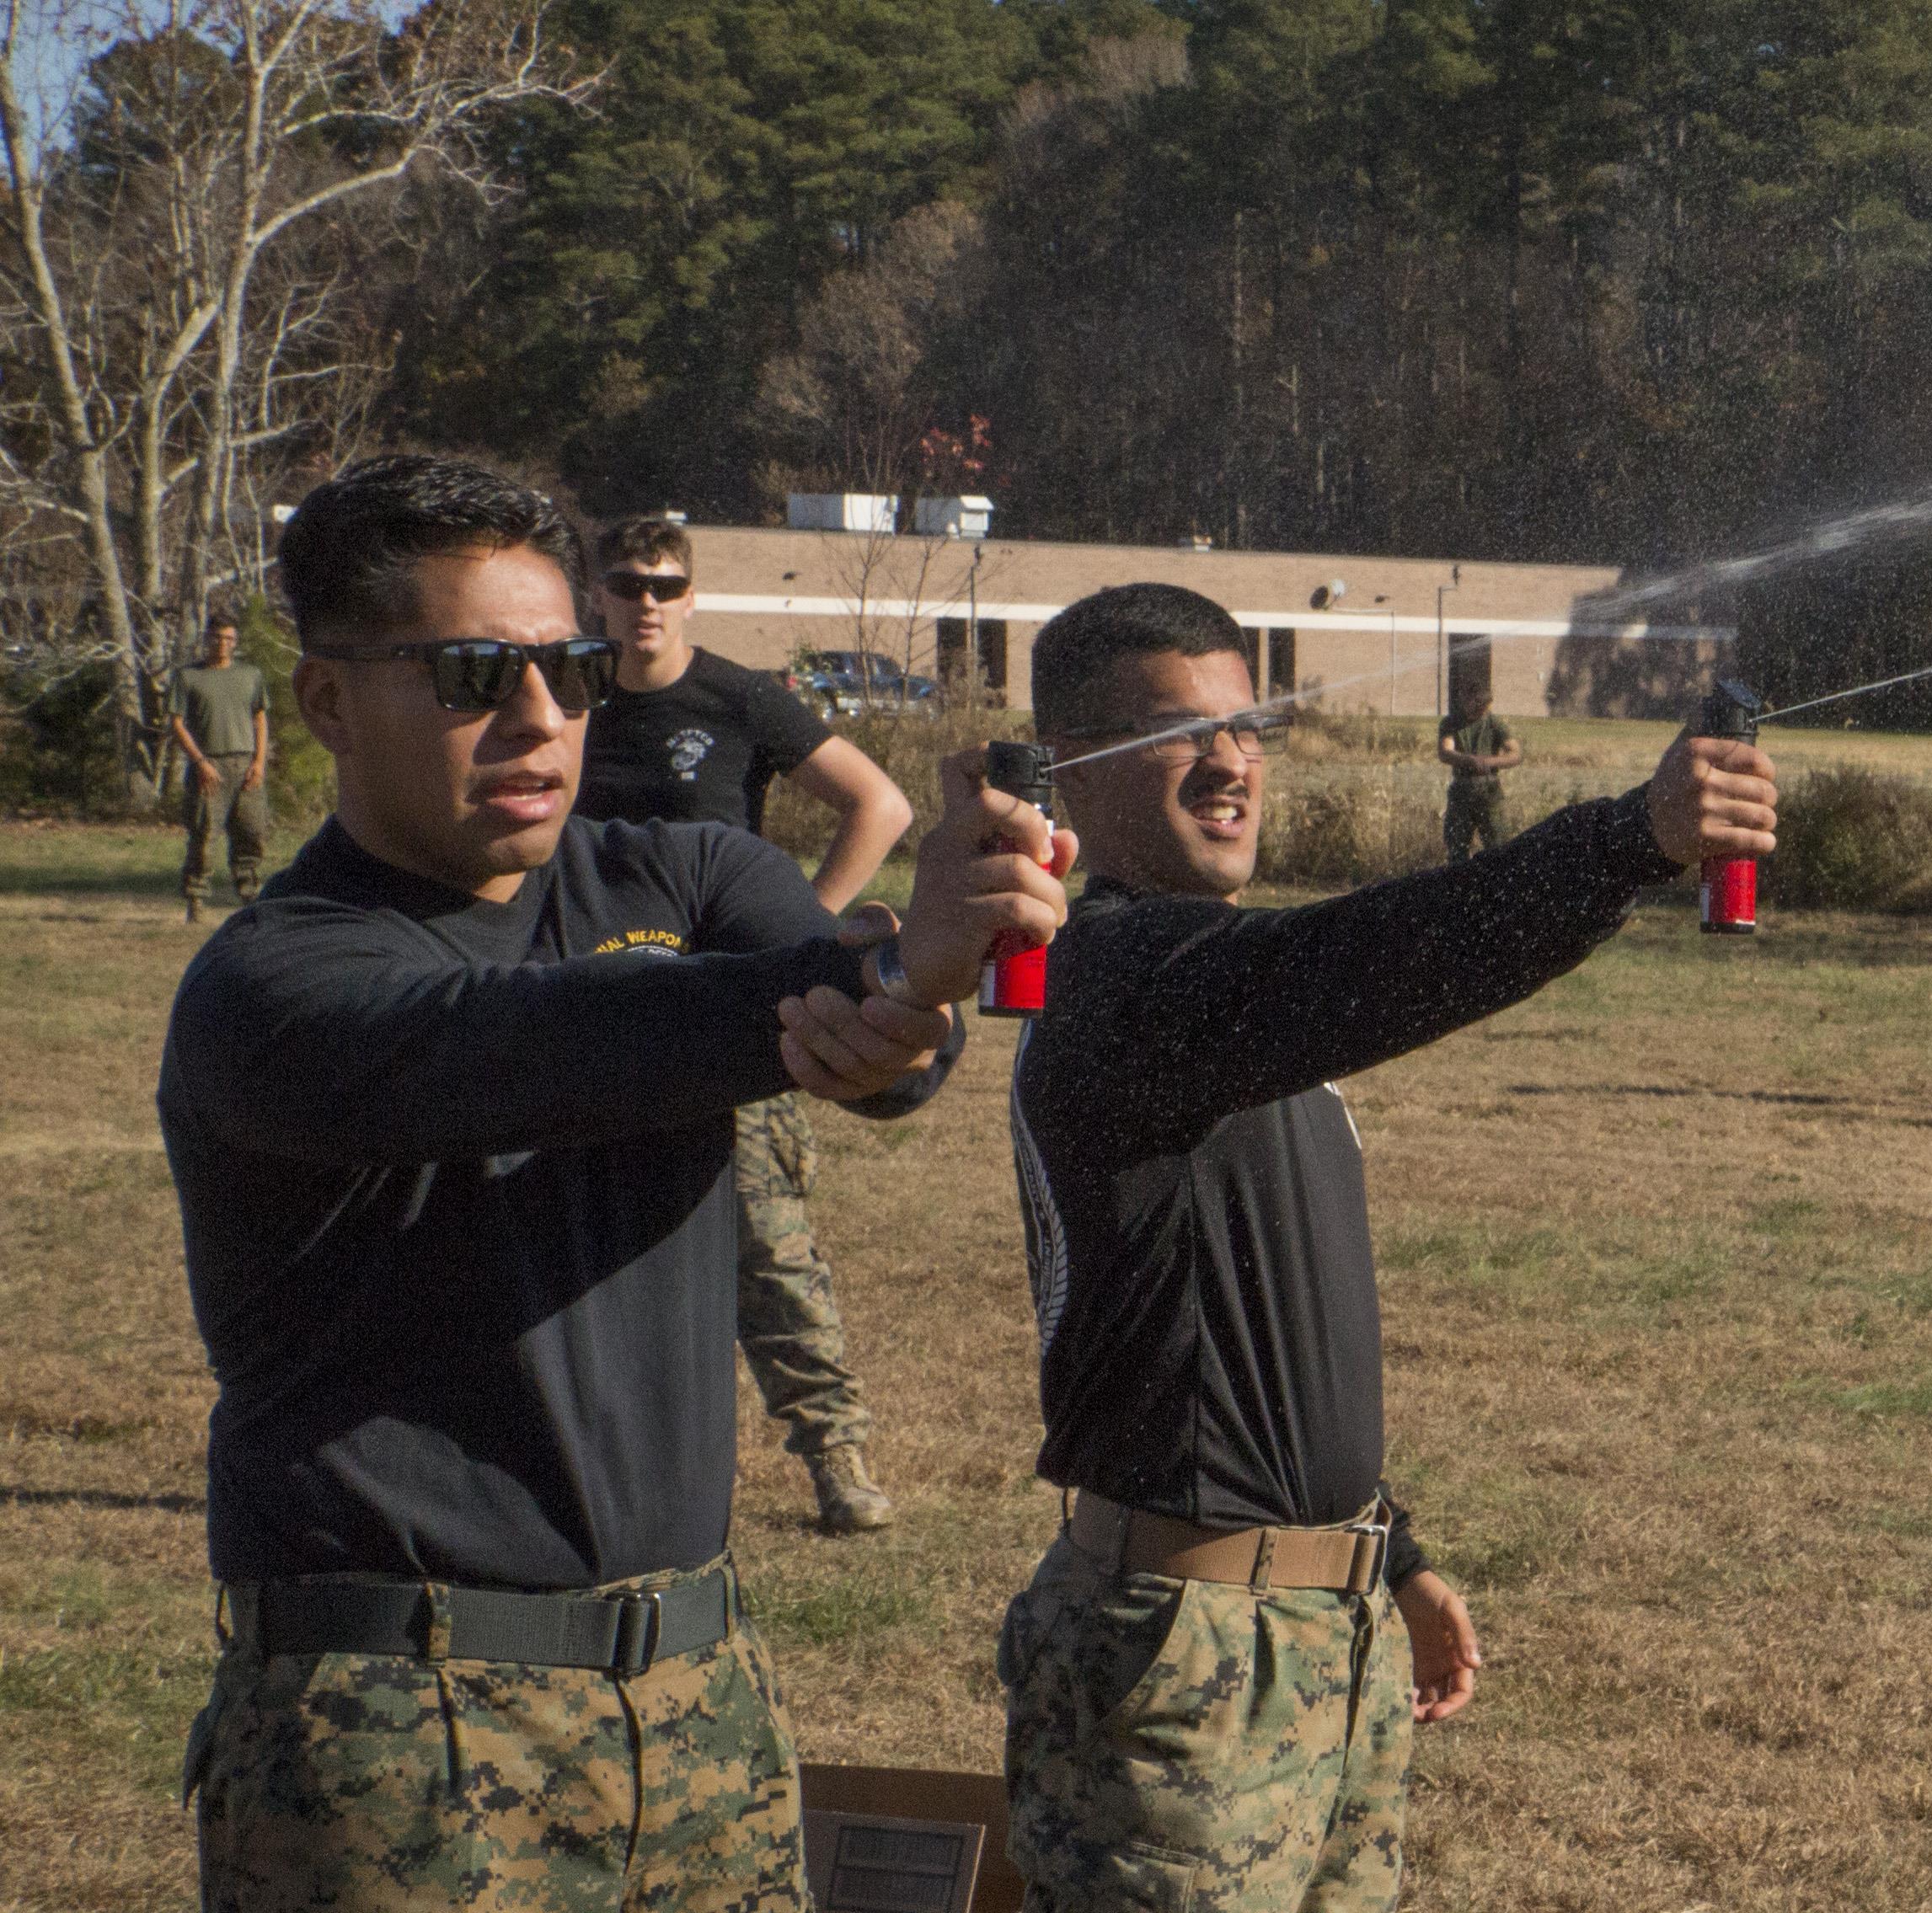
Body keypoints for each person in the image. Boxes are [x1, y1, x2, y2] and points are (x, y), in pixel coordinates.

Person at [163, 453, 1067, 1910]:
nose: (539, 719)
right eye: (473, 674)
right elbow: (528, 1047)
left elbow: (889, 1061)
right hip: (399, 1721)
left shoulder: (683, 876)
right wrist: (865, 976)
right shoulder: (273, 981)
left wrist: (903, 998)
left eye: (571, 671)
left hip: (699, 1691)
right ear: (326, 700)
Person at [995, 583, 1774, 1909]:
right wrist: (1627, 840)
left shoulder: (1231, 995)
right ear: (1069, 769)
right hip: (1179, 1656)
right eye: (1180, 732)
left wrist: (1386, 1548)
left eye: (1247, 726)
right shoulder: (1121, 981)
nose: (1231, 759)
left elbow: (1256, 1318)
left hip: (1318, 1631)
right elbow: (1384, 953)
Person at [576, 516, 923, 1535]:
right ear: (596, 592)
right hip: (584, 999)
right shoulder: (564, 692)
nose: (646, 602)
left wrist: (801, 931)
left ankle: (838, 1459)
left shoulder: (737, 698)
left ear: (691, 596)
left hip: (727, 1006)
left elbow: (880, 804)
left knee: (767, 1245)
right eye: (628, 583)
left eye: (666, 585)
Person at [171, 612, 273, 921]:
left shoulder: (250, 675)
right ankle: (196, 901)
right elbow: (176, 723)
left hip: (245, 764)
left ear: (236, 641)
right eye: (218, 637)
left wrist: (258, 762)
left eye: (230, 638)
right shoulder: (188, 676)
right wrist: (200, 762)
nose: (223, 644)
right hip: (209, 766)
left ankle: (249, 897)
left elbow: (260, 719)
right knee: (203, 837)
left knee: (251, 834)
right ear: (207, 638)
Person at [1436, 682, 1521, 863]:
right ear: (1463, 698)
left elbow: (1515, 754)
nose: (1478, 709)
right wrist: (1470, 760)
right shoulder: (1451, 723)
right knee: (1457, 847)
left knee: (1498, 846)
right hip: (1461, 789)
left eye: (1481, 705)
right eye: (1473, 702)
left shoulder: (1493, 723)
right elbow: (1446, 752)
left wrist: (1489, 762)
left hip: (1489, 789)